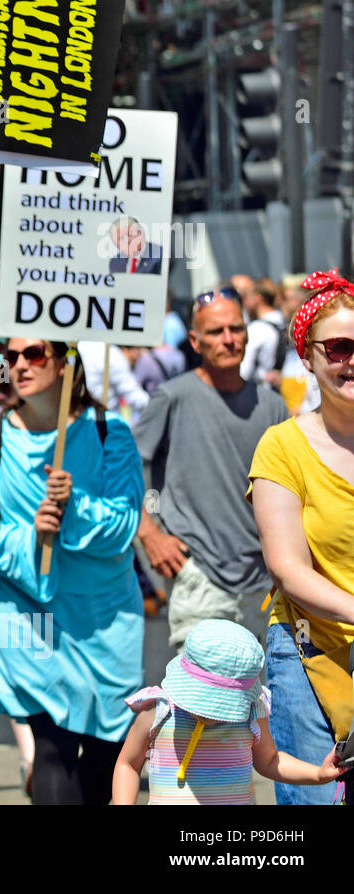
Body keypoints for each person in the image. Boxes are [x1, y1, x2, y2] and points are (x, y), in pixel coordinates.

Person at [0, 338, 145, 805]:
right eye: (11, 357)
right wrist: (34, 537)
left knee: (108, 758)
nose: (21, 365)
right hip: (28, 619)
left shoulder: (112, 431)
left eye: (36, 354)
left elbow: (126, 525)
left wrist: (76, 508)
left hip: (104, 621)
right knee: (53, 749)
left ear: (67, 362)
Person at [133, 286, 288, 648]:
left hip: (264, 584)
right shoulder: (172, 397)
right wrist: (150, 535)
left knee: (259, 701)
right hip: (199, 576)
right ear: (195, 340)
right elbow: (119, 469)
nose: (229, 339)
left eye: (236, 329)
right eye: (216, 332)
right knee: (200, 701)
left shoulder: (272, 406)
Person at [250, 269, 354, 804]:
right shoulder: (282, 445)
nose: (352, 360)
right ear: (309, 357)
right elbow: (289, 570)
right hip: (310, 651)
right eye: (338, 348)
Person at [113, 619, 346, 804]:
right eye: (203, 702)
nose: (209, 714)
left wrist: (318, 774)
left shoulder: (252, 709)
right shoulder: (160, 709)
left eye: (220, 706)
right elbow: (128, 764)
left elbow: (270, 760)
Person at [238, 276, 286, 388]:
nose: (244, 303)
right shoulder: (283, 321)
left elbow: (244, 372)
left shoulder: (256, 328)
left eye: (247, 298)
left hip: (261, 391)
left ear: (257, 299)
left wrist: (261, 375)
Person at [78, 339, 149, 415]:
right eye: (139, 351)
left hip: (83, 411)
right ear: (130, 349)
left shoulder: (87, 345)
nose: (141, 355)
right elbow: (134, 397)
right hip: (102, 416)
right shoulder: (115, 357)